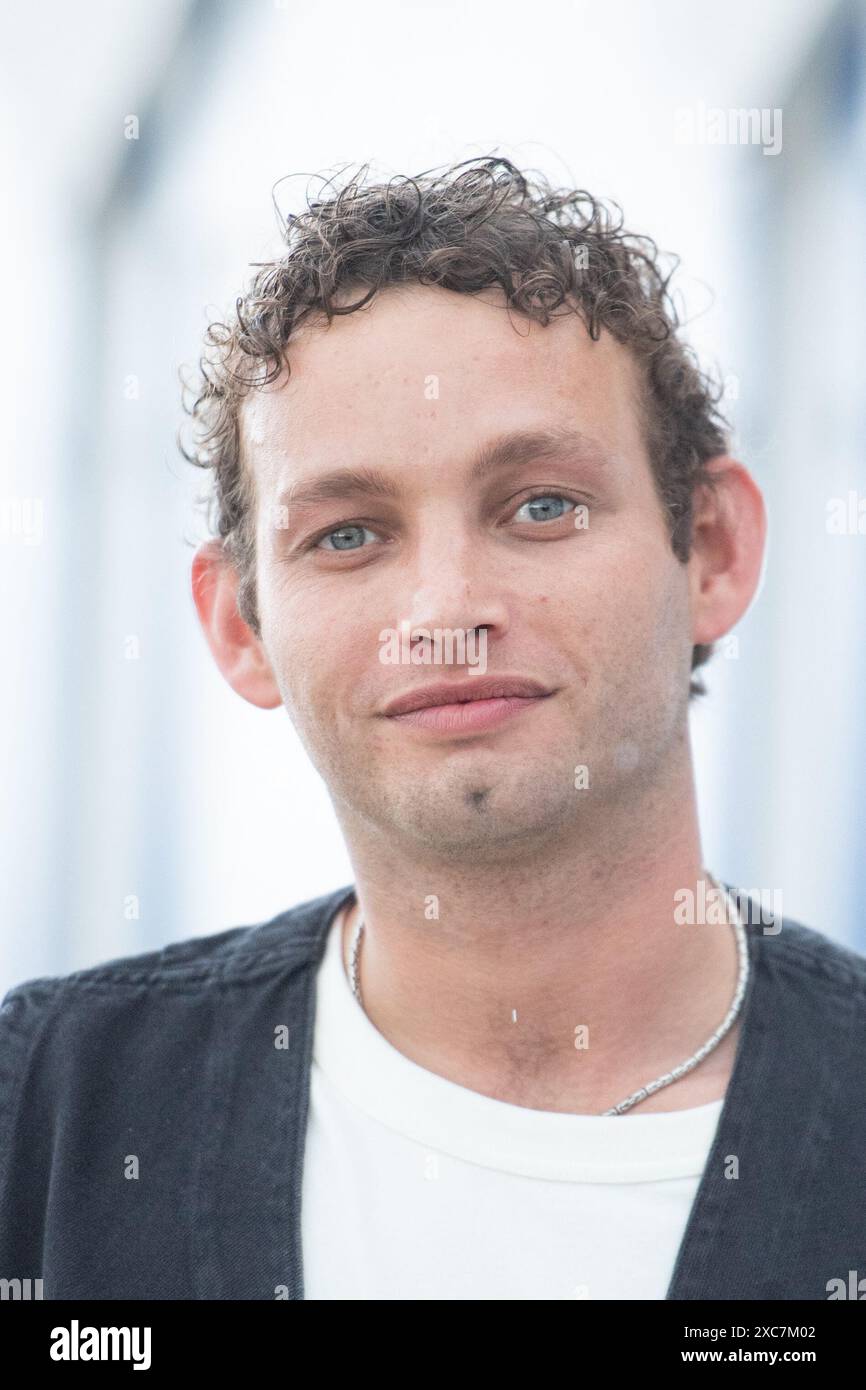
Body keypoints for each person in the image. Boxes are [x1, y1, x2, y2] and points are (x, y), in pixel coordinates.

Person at [2, 157, 865, 1302]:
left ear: (709, 551)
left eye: (541, 506)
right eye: (347, 535)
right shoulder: (48, 1116)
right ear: (239, 627)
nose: (446, 611)